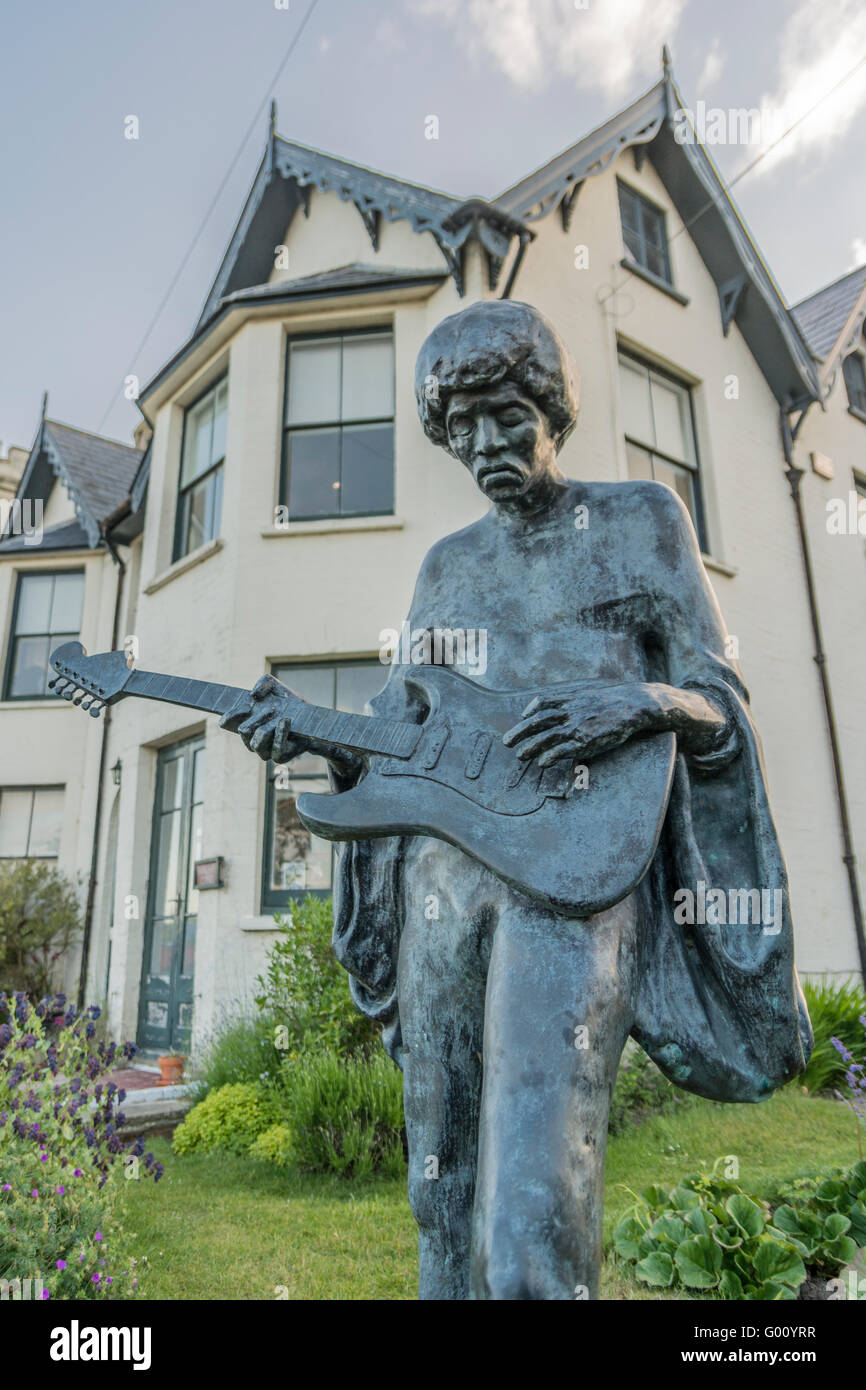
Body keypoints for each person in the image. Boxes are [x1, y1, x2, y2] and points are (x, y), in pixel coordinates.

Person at [236, 300, 811, 1300]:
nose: (482, 444)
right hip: (441, 889)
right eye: (457, 428)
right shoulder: (445, 570)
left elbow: (717, 709)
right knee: (439, 1188)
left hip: (574, 881)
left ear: (550, 404)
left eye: (502, 415)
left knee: (529, 1211)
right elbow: (401, 746)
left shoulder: (640, 524)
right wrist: (316, 745)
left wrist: (638, 705)